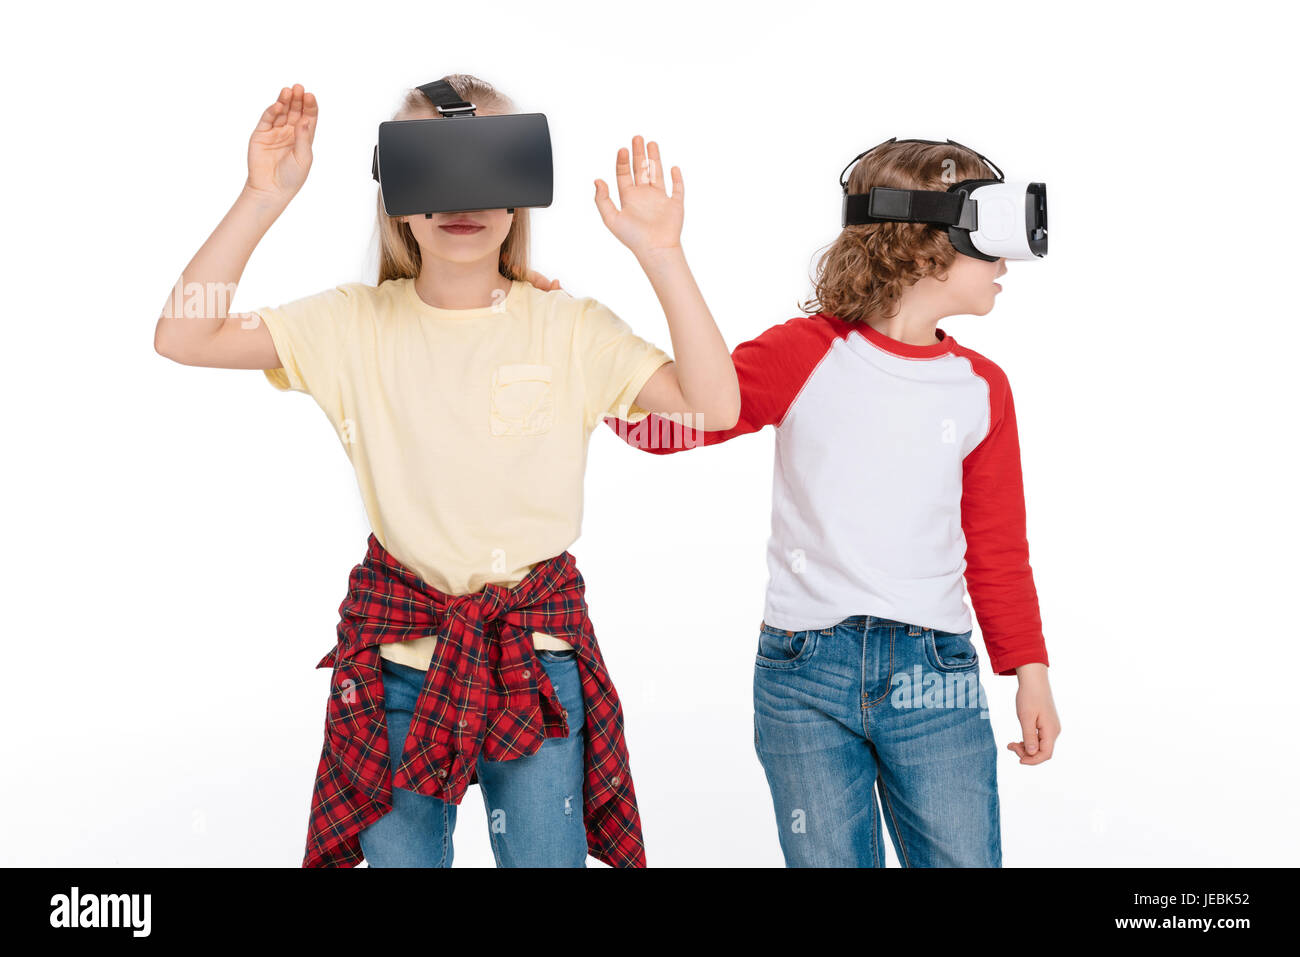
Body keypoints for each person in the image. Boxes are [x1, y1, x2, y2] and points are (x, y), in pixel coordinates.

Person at [153, 77, 739, 868]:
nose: (463, 198)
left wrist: (662, 255)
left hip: (536, 660)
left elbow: (712, 405)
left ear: (521, 190)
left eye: (489, 168)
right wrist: (263, 196)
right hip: (398, 663)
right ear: (396, 193)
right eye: (436, 170)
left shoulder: (569, 326)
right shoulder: (350, 324)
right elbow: (184, 336)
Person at [604, 137, 1061, 867]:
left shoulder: (981, 389)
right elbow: (671, 424)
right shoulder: (804, 354)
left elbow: (998, 546)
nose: (1006, 264)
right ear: (922, 248)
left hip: (933, 674)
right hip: (802, 674)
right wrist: (572, 356)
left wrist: (1028, 669)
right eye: (989, 240)